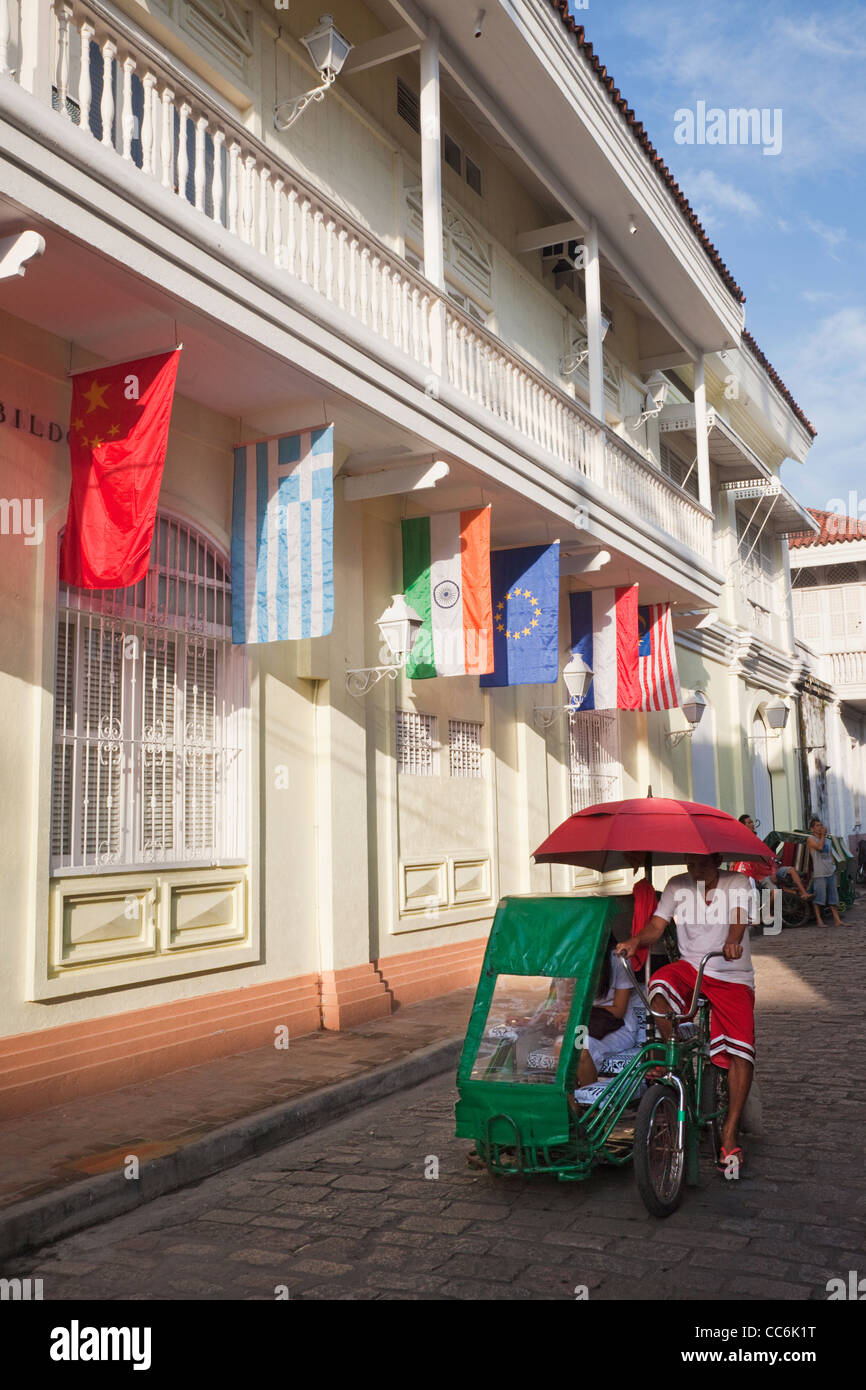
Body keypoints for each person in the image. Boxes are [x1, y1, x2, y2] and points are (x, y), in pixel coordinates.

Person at [617, 853, 754, 1174]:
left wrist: (734, 941)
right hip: (691, 969)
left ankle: (730, 1133)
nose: (696, 872)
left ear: (718, 860)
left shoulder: (738, 881)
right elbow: (656, 925)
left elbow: (738, 918)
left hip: (732, 974)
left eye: (703, 865)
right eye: (691, 865)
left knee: (743, 1051)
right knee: (658, 985)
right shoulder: (677, 884)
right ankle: (676, 1048)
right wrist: (636, 940)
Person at [576, 937, 639, 1087]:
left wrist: (582, 1010)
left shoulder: (618, 959)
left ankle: (590, 1105)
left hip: (618, 1027)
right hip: (584, 1025)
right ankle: (573, 1105)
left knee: (579, 1049)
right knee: (563, 1045)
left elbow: (618, 1010)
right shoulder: (575, 956)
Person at [733, 814, 810, 908]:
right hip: (757, 874)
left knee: (791, 870)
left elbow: (768, 858)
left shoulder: (755, 840)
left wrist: (773, 871)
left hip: (767, 870)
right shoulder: (741, 842)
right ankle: (764, 912)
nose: (752, 824)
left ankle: (804, 893)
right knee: (775, 892)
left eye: (752, 822)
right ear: (743, 826)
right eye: (749, 823)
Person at [807, 817, 843, 927]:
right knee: (819, 898)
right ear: (812, 829)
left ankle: (837, 920)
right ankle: (819, 921)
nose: (820, 828)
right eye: (817, 826)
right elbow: (819, 847)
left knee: (833, 897)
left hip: (830, 872)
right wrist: (823, 835)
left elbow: (830, 855)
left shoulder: (828, 840)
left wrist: (833, 867)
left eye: (821, 825)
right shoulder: (810, 839)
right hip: (820, 873)